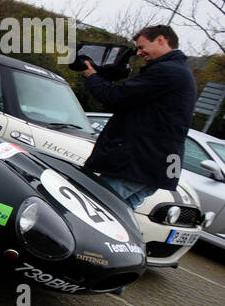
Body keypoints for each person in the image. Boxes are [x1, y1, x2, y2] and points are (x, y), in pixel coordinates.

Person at [81, 24, 197, 210]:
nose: (139, 53)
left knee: (94, 205)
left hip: (139, 164)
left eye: (142, 47)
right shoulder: (180, 71)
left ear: (161, 39)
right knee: (120, 213)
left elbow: (116, 97)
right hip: (157, 167)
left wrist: (93, 77)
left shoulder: (167, 71)